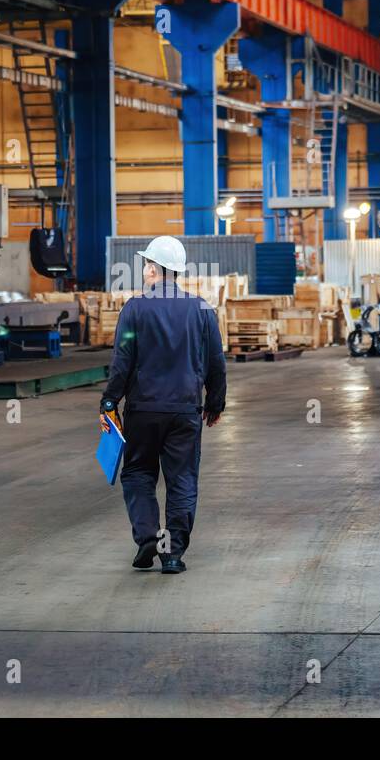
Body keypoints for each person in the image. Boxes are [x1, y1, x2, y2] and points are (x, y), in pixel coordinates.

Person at [99, 236, 226, 574]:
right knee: (182, 479)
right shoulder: (202, 309)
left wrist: (109, 401)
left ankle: (146, 538)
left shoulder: (134, 309)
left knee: (138, 473)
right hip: (185, 411)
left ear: (154, 268)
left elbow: (122, 360)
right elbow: (216, 361)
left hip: (142, 410)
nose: (143, 269)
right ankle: (173, 554)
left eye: (145, 264)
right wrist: (215, 402)